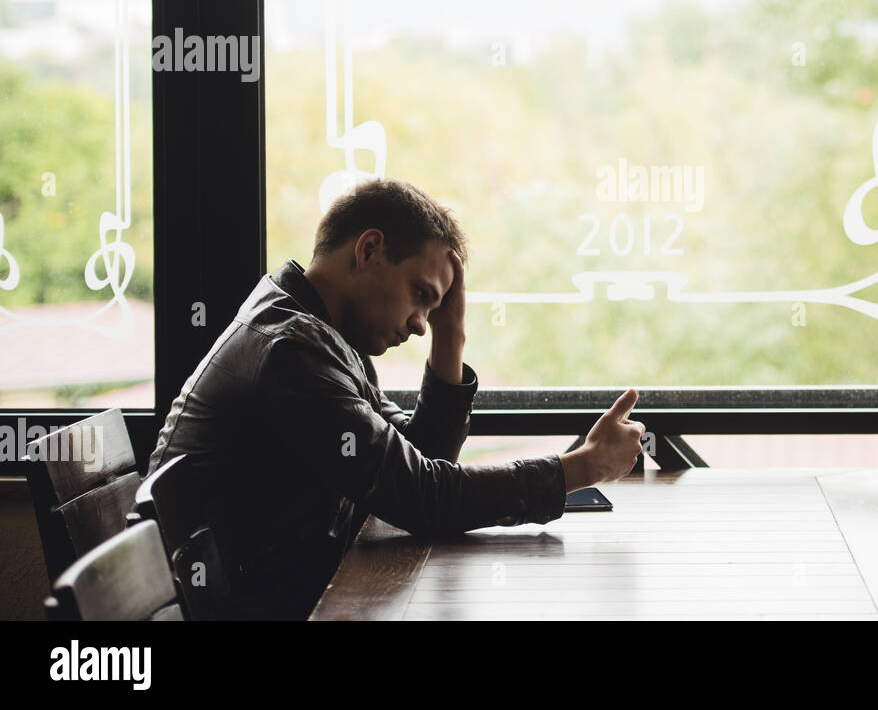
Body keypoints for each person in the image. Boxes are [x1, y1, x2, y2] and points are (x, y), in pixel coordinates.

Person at [145, 178, 645, 619]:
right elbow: (422, 496)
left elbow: (418, 461)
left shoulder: (327, 337)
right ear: (368, 251)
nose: (420, 322)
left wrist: (450, 335)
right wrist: (583, 468)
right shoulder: (289, 353)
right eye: (421, 294)